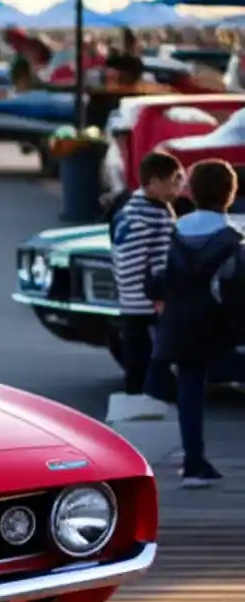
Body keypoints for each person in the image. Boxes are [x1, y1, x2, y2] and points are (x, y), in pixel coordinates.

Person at [150, 160, 245, 488]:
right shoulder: (232, 238)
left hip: (180, 324)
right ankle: (198, 464)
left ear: (191, 192)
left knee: (190, 391)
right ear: (230, 194)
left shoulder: (176, 231)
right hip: (221, 327)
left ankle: (194, 463)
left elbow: (160, 278)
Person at [106, 151, 183, 423]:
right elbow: (148, 262)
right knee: (150, 356)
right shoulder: (151, 215)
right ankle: (152, 403)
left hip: (132, 300)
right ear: (153, 182)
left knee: (138, 356)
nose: (177, 187)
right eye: (173, 180)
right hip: (147, 302)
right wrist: (159, 295)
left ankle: (139, 404)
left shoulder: (133, 209)